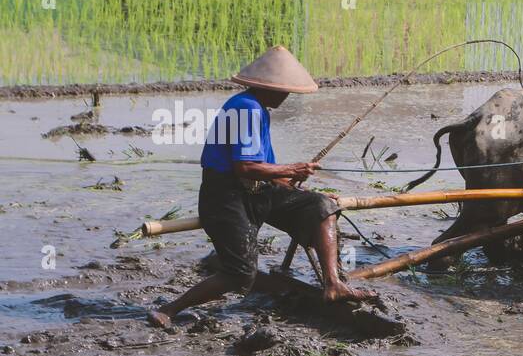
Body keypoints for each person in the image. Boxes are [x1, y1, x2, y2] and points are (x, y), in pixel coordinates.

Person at [148, 46, 374, 328]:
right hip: (226, 197)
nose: (287, 95)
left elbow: (263, 167)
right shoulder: (246, 109)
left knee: (321, 206)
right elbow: (245, 167)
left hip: (257, 192)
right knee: (241, 273)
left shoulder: (256, 109)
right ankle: (170, 308)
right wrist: (293, 169)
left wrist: (292, 185)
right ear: (270, 88)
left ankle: (333, 284)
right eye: (284, 90)